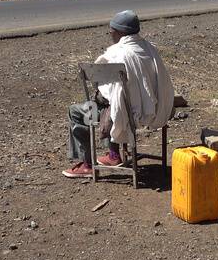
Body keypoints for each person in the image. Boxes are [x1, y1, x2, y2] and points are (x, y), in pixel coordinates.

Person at [63, 10, 175, 178]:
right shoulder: (150, 48)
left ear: (120, 31)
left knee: (80, 110)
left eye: (112, 29)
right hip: (154, 108)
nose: (110, 33)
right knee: (115, 101)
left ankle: (87, 164)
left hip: (127, 114)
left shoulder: (117, 53)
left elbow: (99, 84)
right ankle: (113, 155)